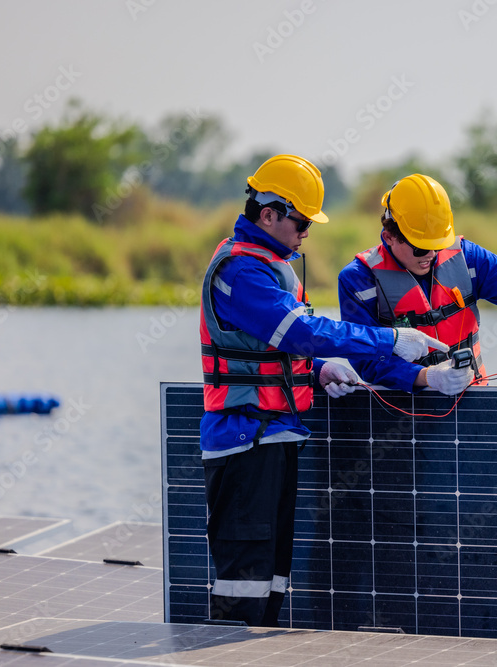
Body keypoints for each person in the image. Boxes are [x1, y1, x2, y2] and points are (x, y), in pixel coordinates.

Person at [199, 155, 446, 626]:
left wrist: (318, 372)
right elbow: (300, 332)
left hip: (274, 438)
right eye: (301, 220)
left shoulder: (271, 266)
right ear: (268, 214)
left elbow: (283, 351)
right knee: (242, 590)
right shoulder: (242, 272)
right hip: (243, 442)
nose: (307, 231)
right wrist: (391, 338)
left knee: (272, 583)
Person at [337, 173, 497, 394]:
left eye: (437, 243)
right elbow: (366, 361)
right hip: (402, 416)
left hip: (475, 407)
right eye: (420, 246)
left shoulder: (467, 257)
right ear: (389, 237)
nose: (430, 253)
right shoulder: (358, 279)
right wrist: (427, 376)